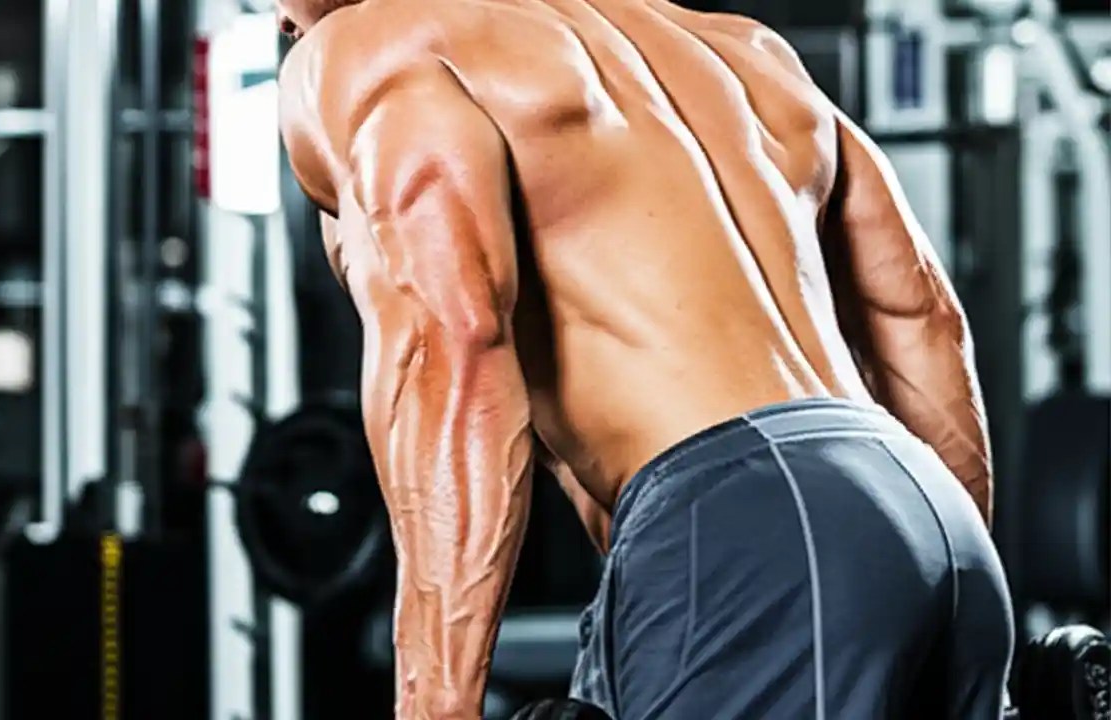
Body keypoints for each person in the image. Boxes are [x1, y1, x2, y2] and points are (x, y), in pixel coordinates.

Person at [276, 0, 1015, 717]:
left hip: (743, 526)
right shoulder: (745, 53)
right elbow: (922, 316)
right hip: (927, 509)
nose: (281, 21)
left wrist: (434, 701)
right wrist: (943, 577)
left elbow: (453, 343)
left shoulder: (369, 47)